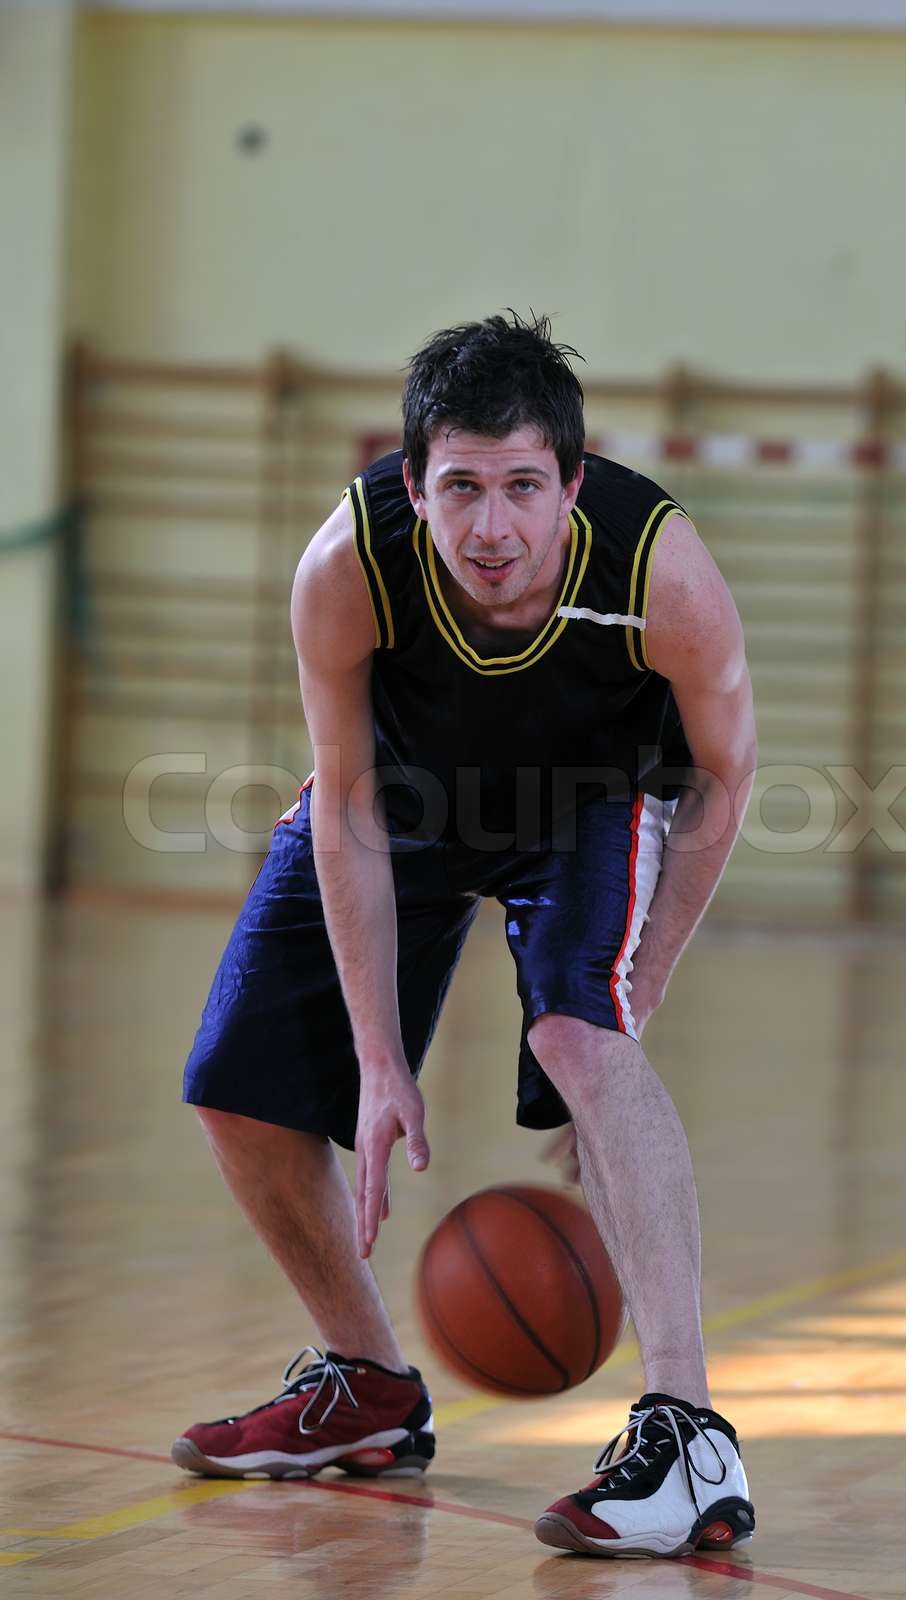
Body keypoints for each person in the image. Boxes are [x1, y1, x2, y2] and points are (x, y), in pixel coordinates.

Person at [173, 312, 758, 1559]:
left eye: (520, 487)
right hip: (404, 792)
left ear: (571, 484)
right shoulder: (349, 565)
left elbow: (726, 772)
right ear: (412, 484)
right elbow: (341, 801)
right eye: (459, 489)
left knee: (577, 1034)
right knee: (239, 1088)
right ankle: (368, 1388)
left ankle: (688, 1432)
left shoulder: (659, 573)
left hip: (594, 795)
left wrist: (630, 997)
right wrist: (381, 1063)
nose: (490, 526)